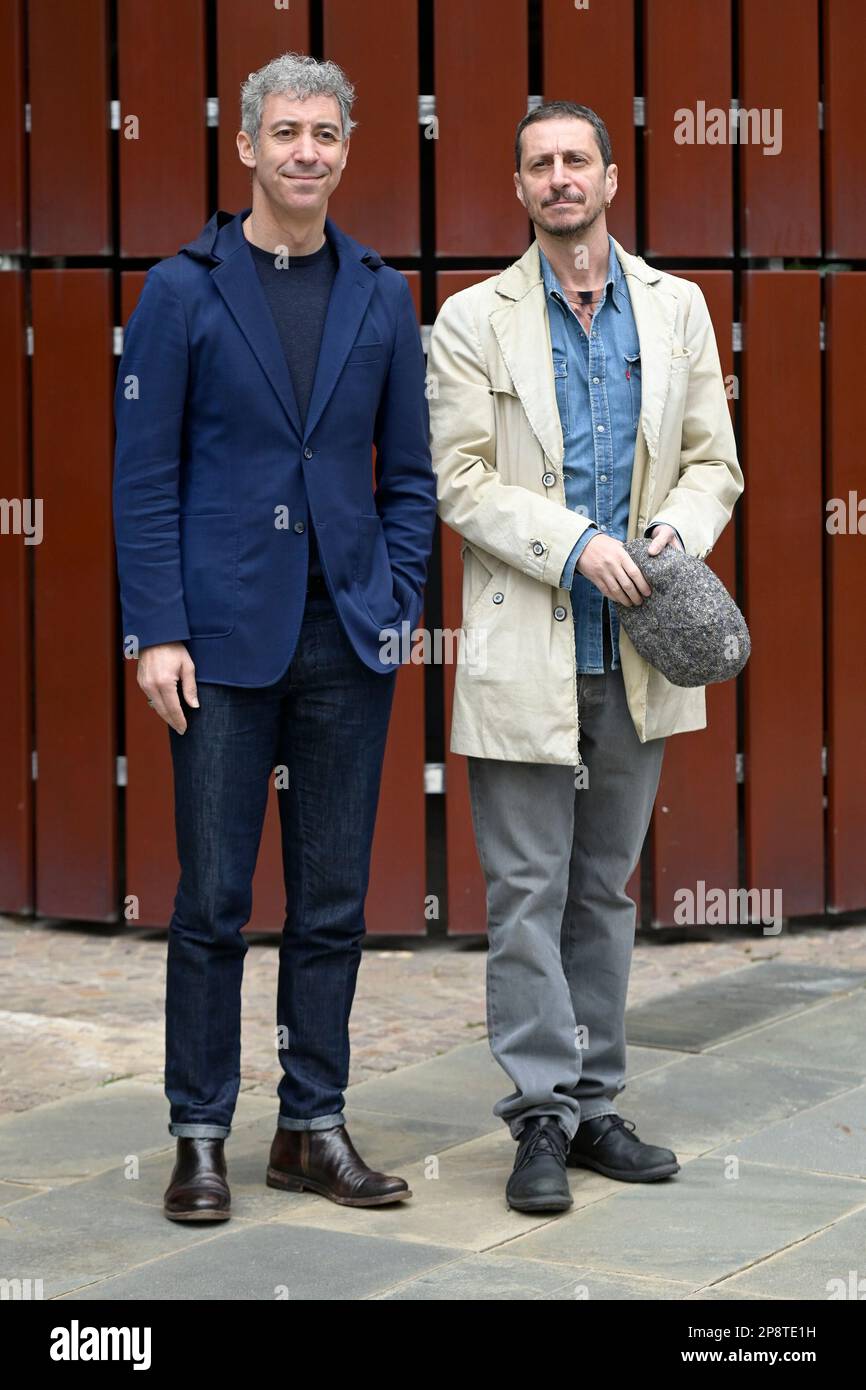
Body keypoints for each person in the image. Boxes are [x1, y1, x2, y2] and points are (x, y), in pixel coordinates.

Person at [112, 52, 437, 1221]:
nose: (307, 150)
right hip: (216, 642)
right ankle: (199, 1133)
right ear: (245, 146)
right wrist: (155, 629)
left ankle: (311, 1126)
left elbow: (408, 474)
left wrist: (395, 597)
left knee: (334, 901)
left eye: (326, 133)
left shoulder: (381, 296)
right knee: (210, 903)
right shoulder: (180, 290)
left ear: (347, 149)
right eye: (285, 131)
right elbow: (142, 481)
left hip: (344, 636)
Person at [427, 101, 743, 1213]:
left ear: (611, 176)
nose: (559, 178)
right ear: (517, 187)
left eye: (576, 160)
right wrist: (577, 548)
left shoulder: (678, 310)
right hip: (527, 643)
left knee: (602, 890)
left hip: (637, 648)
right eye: (539, 164)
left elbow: (713, 461)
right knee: (524, 892)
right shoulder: (472, 320)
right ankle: (538, 1117)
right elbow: (459, 480)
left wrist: (675, 533)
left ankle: (597, 1101)